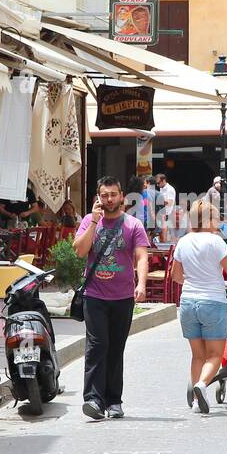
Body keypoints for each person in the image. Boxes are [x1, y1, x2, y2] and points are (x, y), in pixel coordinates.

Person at [74, 176, 150, 421]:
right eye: (104, 195)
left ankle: (114, 400)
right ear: (98, 197)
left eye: (113, 194)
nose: (109, 199)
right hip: (95, 295)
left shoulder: (133, 225)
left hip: (123, 296)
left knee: (116, 348)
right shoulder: (89, 221)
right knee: (97, 346)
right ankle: (93, 400)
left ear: (122, 196)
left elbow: (141, 257)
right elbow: (80, 250)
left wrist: (141, 284)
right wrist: (95, 221)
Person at [170, 200, 227, 413]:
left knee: (197, 355)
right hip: (213, 301)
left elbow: (176, 275)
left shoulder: (183, 241)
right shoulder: (216, 242)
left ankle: (194, 400)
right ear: (209, 219)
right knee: (214, 355)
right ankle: (202, 385)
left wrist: (193, 282)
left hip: (188, 302)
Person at [153, 173, 177, 242]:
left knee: (164, 234)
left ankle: (164, 248)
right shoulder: (161, 188)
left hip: (167, 215)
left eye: (158, 183)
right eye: (156, 184)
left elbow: (170, 203)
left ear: (163, 180)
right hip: (161, 214)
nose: (157, 185)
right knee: (159, 233)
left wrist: (157, 200)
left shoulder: (170, 189)